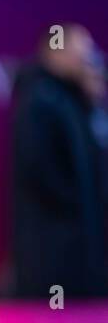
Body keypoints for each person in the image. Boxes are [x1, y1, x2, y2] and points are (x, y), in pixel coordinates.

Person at [11, 24, 108, 299]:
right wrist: (74, 206)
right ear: (56, 52)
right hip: (53, 250)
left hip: (78, 243)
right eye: (82, 52)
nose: (89, 60)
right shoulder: (41, 101)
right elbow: (40, 171)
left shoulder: (73, 99)